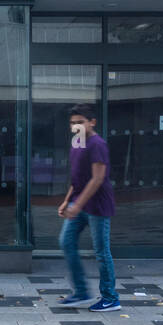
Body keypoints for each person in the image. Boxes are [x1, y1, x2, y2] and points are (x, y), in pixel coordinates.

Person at [57, 104, 120, 312]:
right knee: (66, 241)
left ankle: (111, 298)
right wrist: (67, 201)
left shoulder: (97, 144)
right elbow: (77, 178)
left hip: (97, 205)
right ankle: (82, 292)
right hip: (79, 203)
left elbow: (97, 179)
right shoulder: (77, 142)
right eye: (72, 123)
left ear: (92, 122)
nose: (75, 126)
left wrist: (77, 205)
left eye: (80, 122)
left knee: (101, 252)